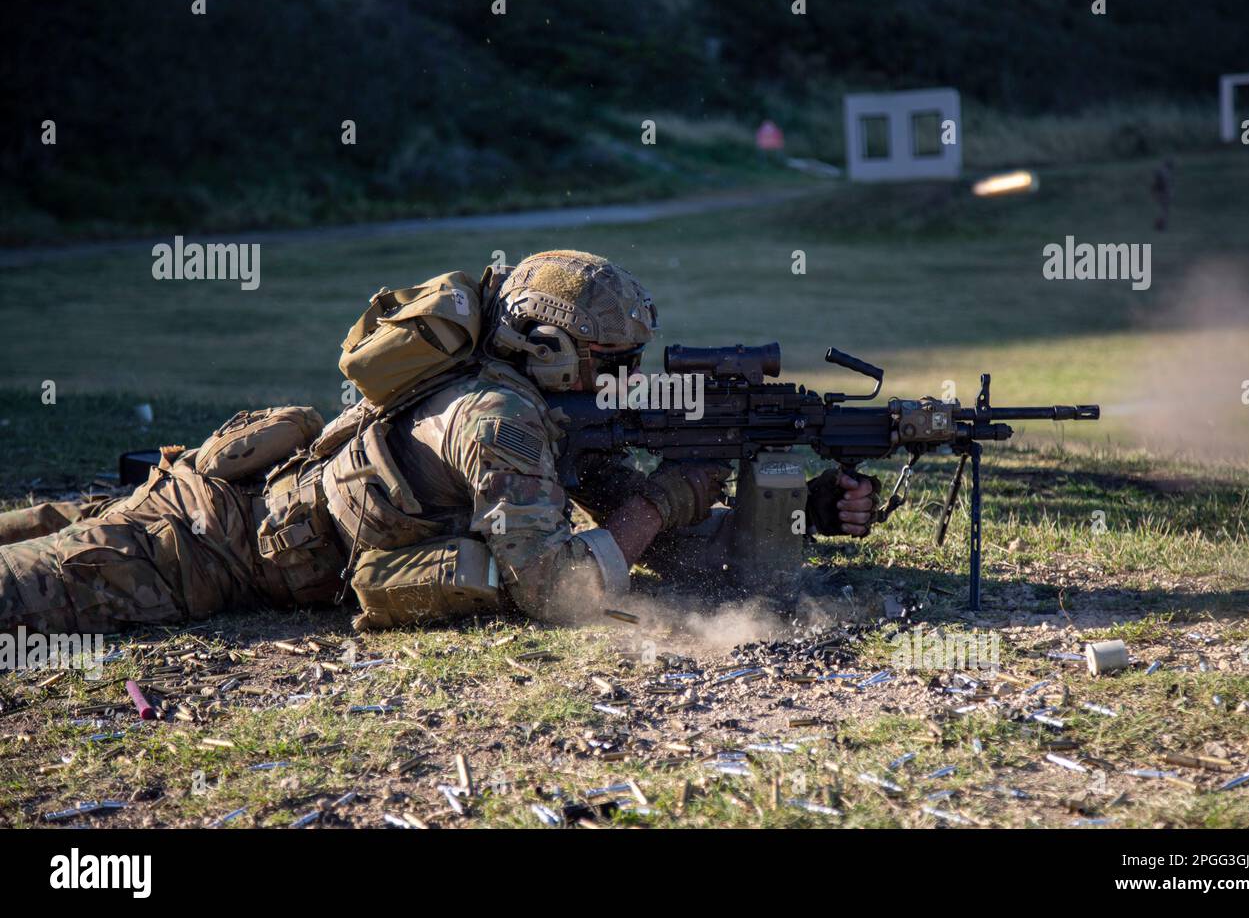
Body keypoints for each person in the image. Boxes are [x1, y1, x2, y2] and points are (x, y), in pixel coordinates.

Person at [0, 251, 878, 634]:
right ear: (552, 350)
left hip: (217, 503)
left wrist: (798, 514)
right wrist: (663, 496)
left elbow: (668, 556)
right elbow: (560, 593)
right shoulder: (502, 422)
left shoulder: (530, 405)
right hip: (192, 548)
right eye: (616, 360)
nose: (630, 378)